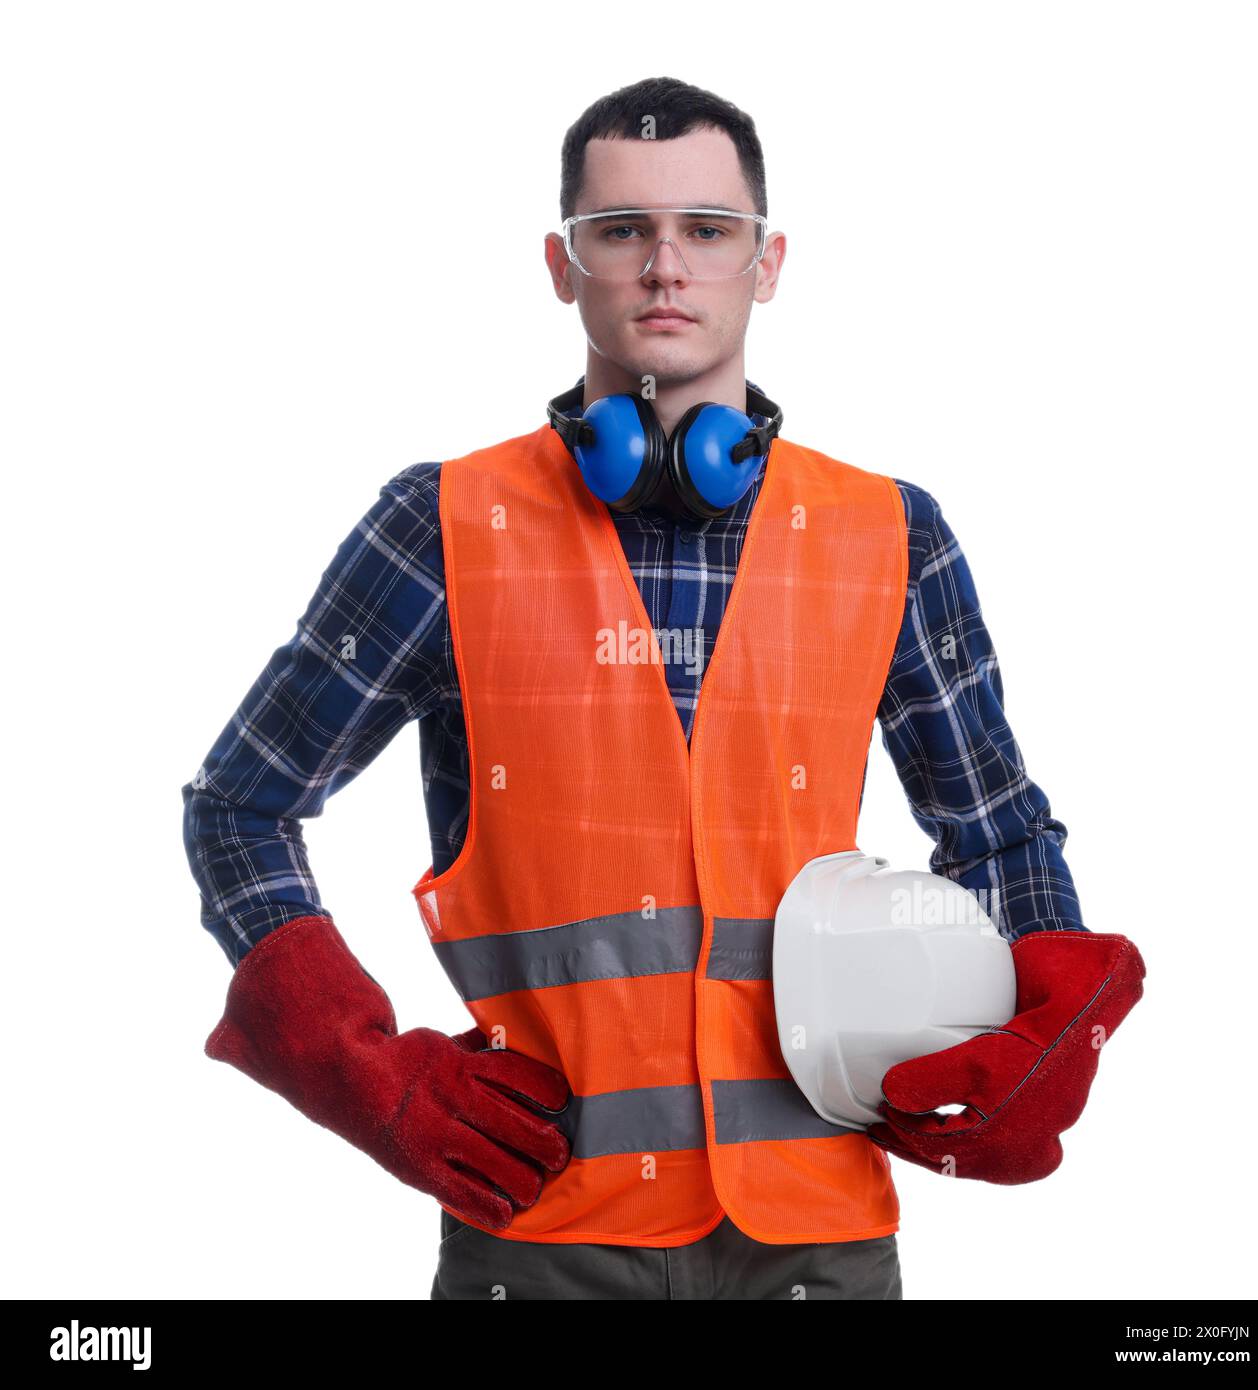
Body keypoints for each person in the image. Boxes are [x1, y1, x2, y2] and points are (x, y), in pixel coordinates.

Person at [183, 76, 1144, 1302]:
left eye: (707, 229)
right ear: (560, 263)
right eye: (622, 231)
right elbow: (238, 806)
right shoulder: (441, 527)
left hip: (819, 1235)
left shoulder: (890, 533)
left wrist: (1047, 1010)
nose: (665, 267)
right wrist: (359, 1066)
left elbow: (995, 828)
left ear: (768, 260)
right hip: (542, 1234)